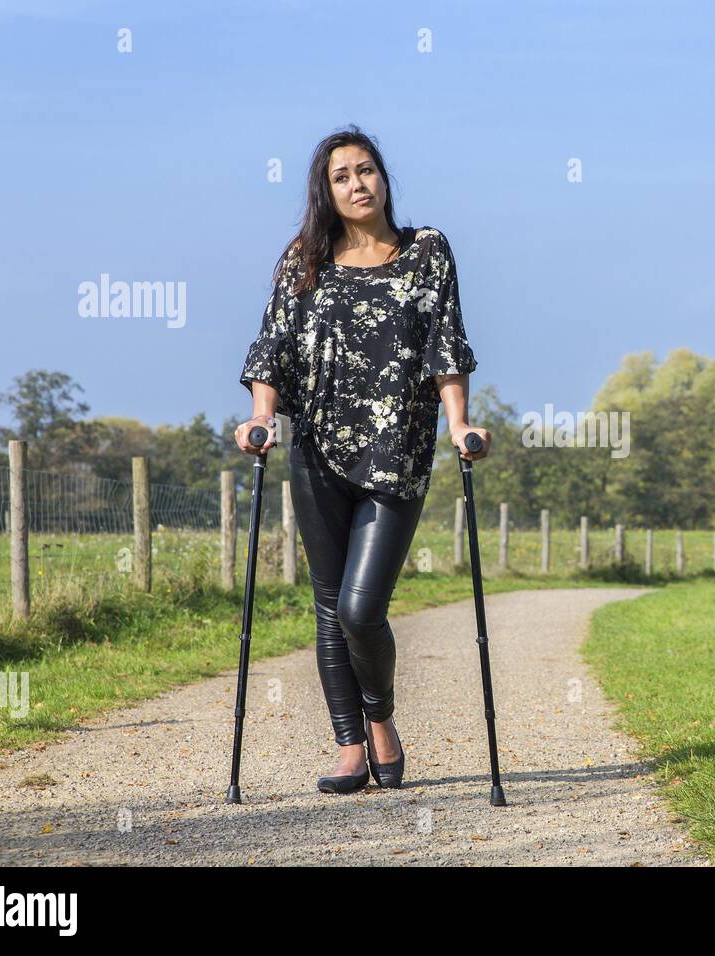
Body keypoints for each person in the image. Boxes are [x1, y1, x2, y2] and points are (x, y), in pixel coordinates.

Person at [233, 125, 490, 794]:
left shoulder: (427, 252)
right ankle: (350, 746)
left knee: (358, 608)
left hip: (396, 455)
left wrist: (460, 424)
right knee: (327, 605)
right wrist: (263, 417)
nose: (358, 183)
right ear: (326, 191)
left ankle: (381, 722)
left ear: (383, 178)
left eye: (367, 170)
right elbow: (273, 347)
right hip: (317, 453)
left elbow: (445, 342)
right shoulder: (303, 262)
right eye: (342, 175)